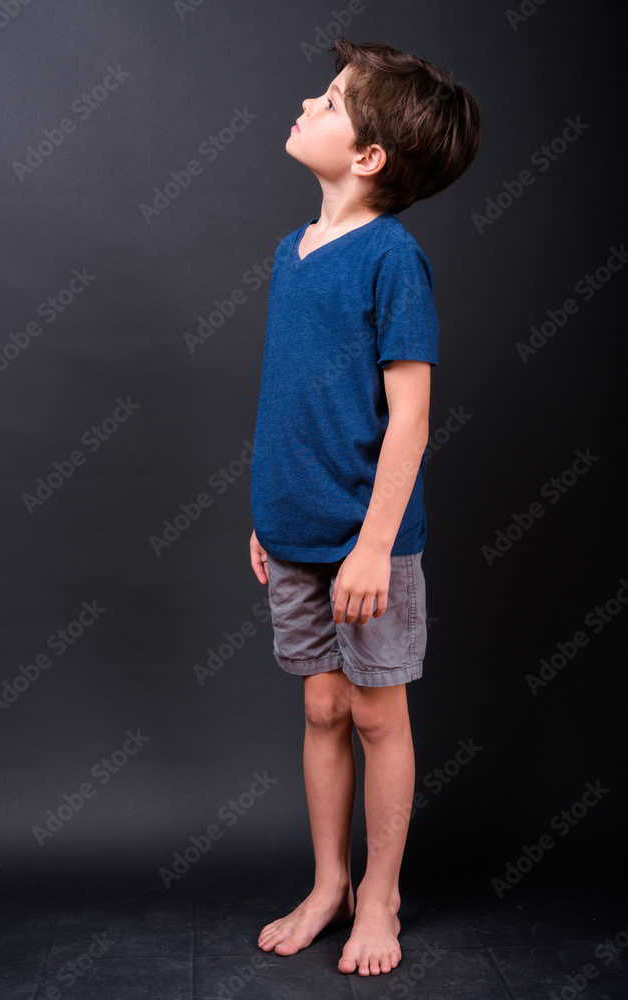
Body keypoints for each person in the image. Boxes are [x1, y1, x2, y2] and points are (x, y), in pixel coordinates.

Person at [248, 34, 481, 978]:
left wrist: (371, 547)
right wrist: (264, 515)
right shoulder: (290, 253)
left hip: (365, 545)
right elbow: (288, 397)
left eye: (333, 101)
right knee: (319, 709)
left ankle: (379, 893)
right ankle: (328, 882)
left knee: (379, 716)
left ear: (369, 157)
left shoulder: (393, 259)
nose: (310, 102)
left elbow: (411, 418)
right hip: (294, 534)